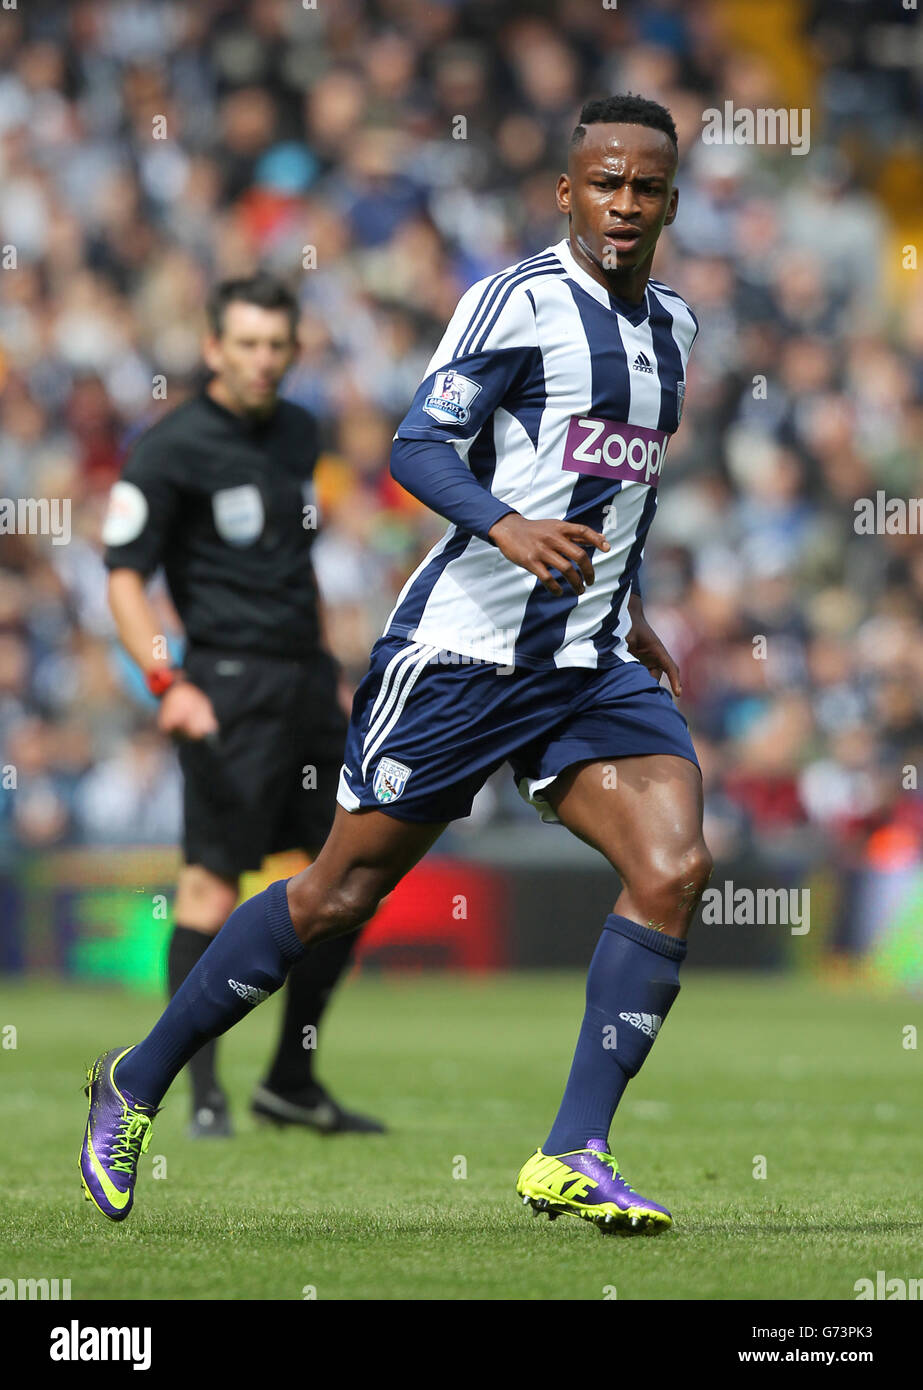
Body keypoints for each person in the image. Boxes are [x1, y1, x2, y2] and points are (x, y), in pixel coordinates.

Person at [80, 94, 712, 1234]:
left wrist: (634, 607)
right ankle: (133, 1079)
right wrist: (506, 527)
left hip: (589, 656)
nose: (624, 204)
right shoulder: (515, 302)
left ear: (672, 197)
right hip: (463, 655)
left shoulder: (673, 326)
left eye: (645, 186)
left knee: (672, 865)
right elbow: (420, 443)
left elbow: (614, 488)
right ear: (565, 191)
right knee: (336, 894)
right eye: (604, 183)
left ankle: (572, 1147)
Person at [98, 273, 384, 1142]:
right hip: (221, 687)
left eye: (277, 345)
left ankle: (290, 1082)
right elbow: (123, 580)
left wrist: (330, 669)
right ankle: (199, 1094)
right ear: (214, 348)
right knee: (209, 885)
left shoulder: (301, 432)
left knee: (349, 879)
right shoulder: (169, 447)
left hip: (304, 681)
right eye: (247, 344)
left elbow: (296, 568)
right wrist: (165, 680)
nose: (264, 360)